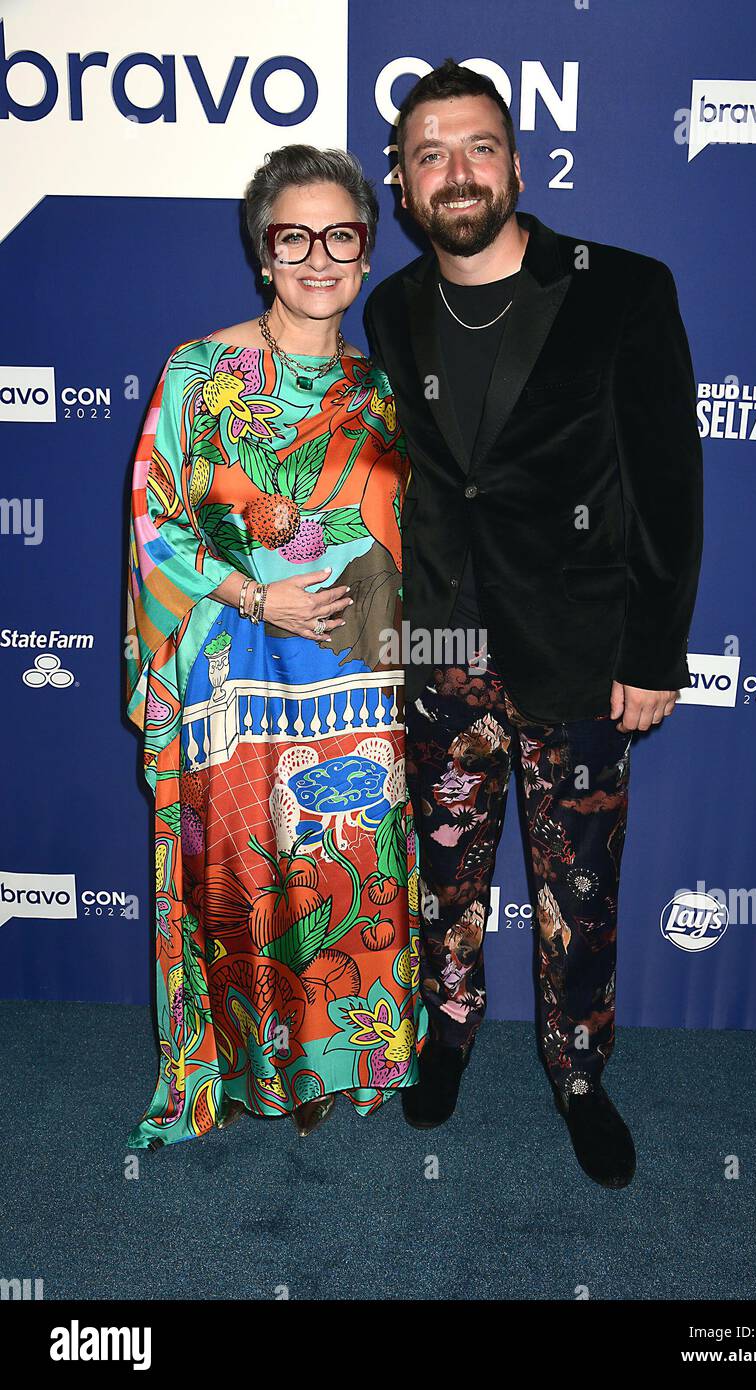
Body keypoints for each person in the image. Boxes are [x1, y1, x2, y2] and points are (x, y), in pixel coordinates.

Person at [363, 60, 703, 1189]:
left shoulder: (622, 289)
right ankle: (447, 1032)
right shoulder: (391, 310)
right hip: (440, 648)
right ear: (403, 187)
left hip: (578, 651)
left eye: (475, 148)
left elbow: (666, 482)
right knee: (444, 874)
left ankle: (576, 1071)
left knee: (579, 887)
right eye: (428, 155)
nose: (454, 173)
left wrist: (654, 652)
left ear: (514, 162)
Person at [125, 145, 426, 1150]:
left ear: (366, 247)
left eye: (338, 234)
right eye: (291, 236)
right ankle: (255, 1068)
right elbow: (156, 519)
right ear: (263, 253)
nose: (316, 256)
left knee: (351, 871)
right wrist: (257, 595)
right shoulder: (200, 373)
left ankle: (348, 1060)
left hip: (357, 687)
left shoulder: (386, 385)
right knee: (248, 875)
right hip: (236, 677)